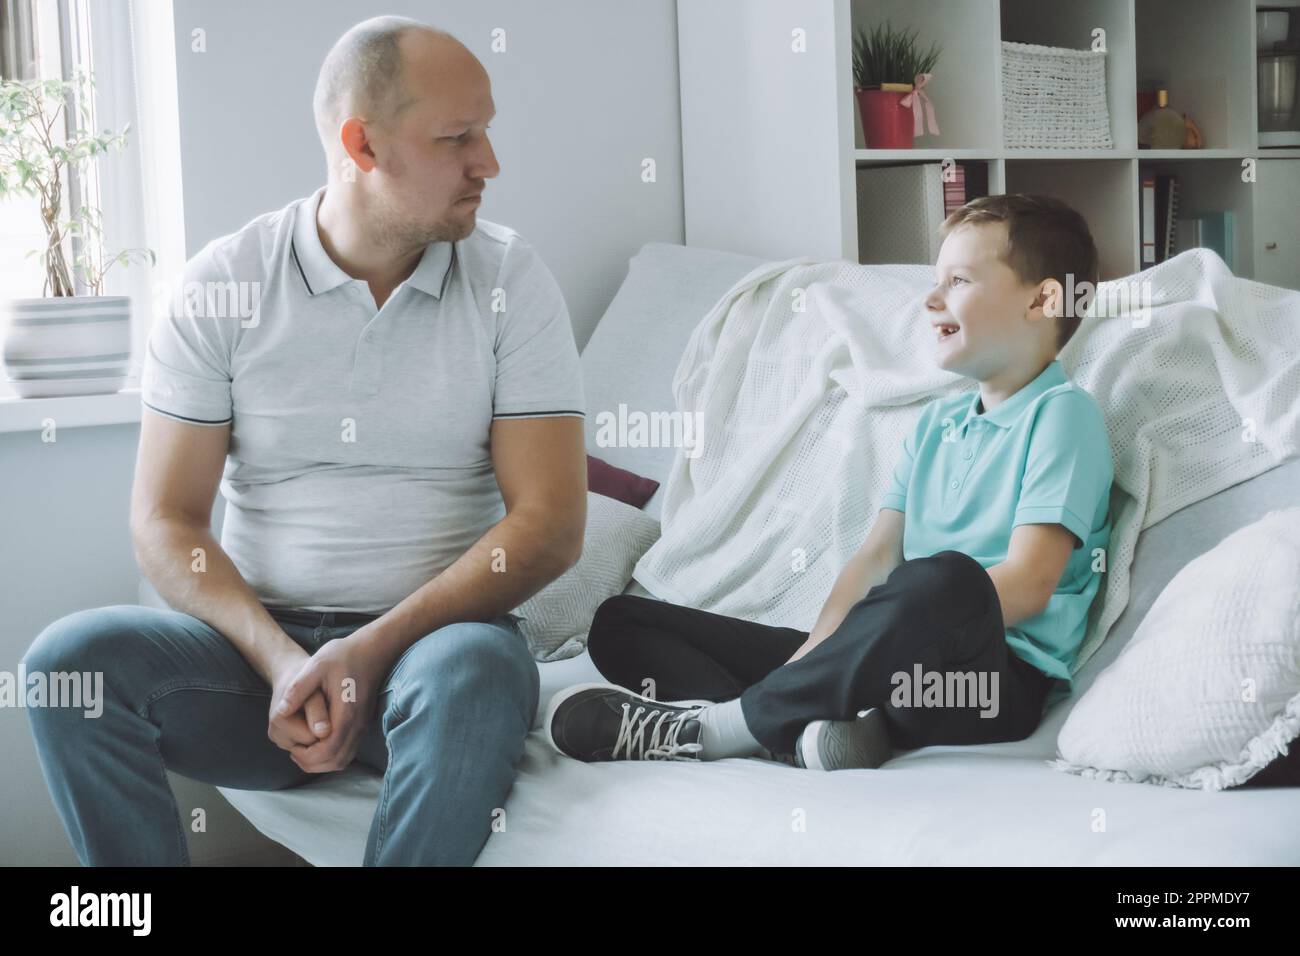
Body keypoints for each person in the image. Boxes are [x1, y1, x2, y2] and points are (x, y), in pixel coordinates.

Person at [23, 16, 587, 866]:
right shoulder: (225, 285)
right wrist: (285, 661)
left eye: (487, 130)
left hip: (430, 664)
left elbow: (549, 523)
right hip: (258, 665)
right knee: (67, 665)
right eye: (458, 137)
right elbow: (165, 521)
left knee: (476, 670)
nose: (489, 163)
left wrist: (369, 650)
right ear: (363, 145)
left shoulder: (512, 282)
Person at [546, 194, 1113, 772]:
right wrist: (815, 658)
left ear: (1043, 299)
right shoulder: (937, 425)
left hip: (989, 684)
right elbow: (874, 558)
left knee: (945, 578)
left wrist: (890, 635)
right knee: (623, 621)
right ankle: (801, 724)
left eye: (960, 280)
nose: (932, 298)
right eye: (936, 279)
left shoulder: (1063, 414)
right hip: (888, 670)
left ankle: (719, 728)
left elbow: (1030, 582)